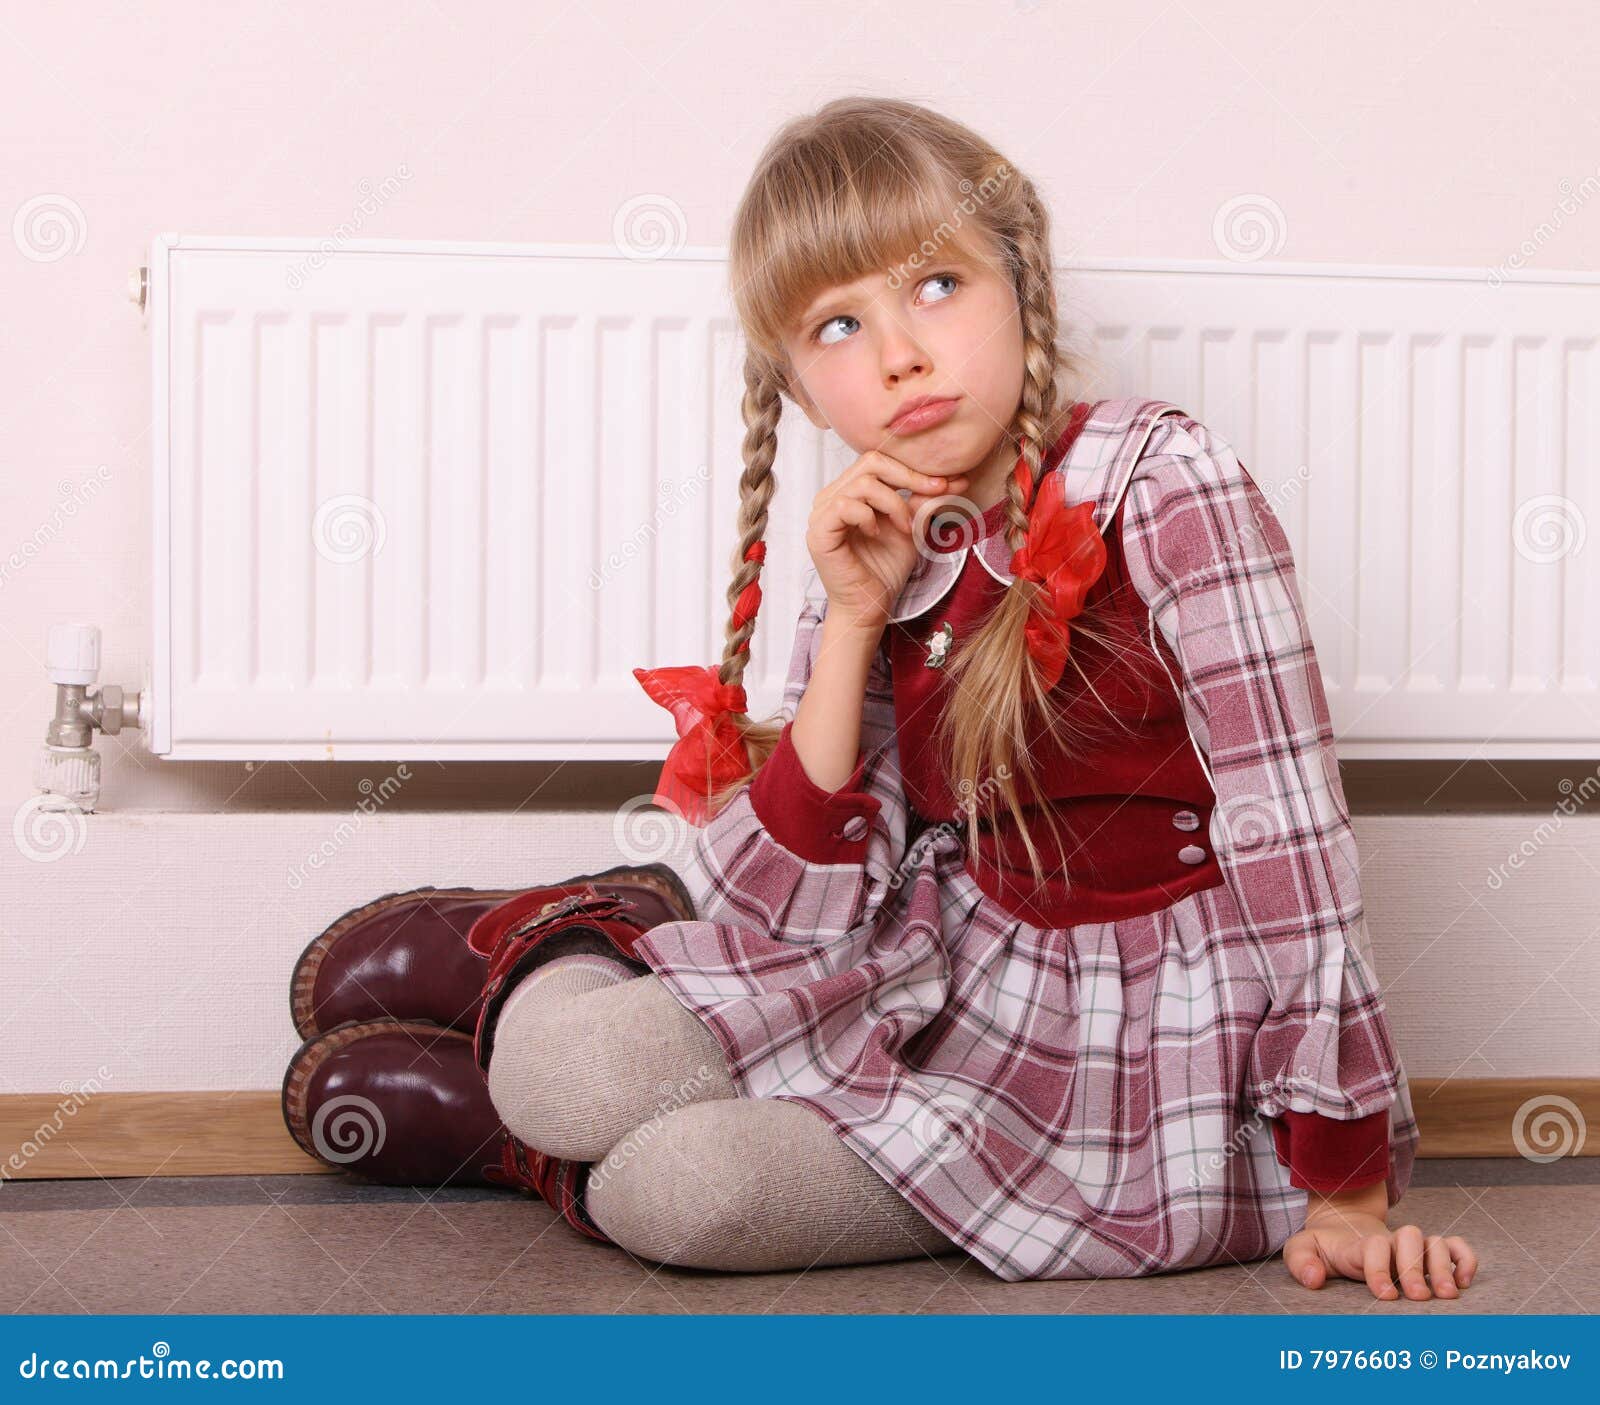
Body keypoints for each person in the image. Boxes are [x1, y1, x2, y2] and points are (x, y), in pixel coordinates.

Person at [347, 96, 1479, 1298]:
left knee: (681, 1192)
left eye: (936, 285)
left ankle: (523, 1120)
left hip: (1159, 1056)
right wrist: (848, 618)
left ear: (1020, 287)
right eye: (839, 323)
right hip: (943, 972)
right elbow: (791, 916)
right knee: (567, 1072)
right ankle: (562, 964)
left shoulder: (1162, 479)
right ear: (795, 385)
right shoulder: (874, 526)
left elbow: (1291, 836)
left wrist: (1346, 1179)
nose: (899, 354)